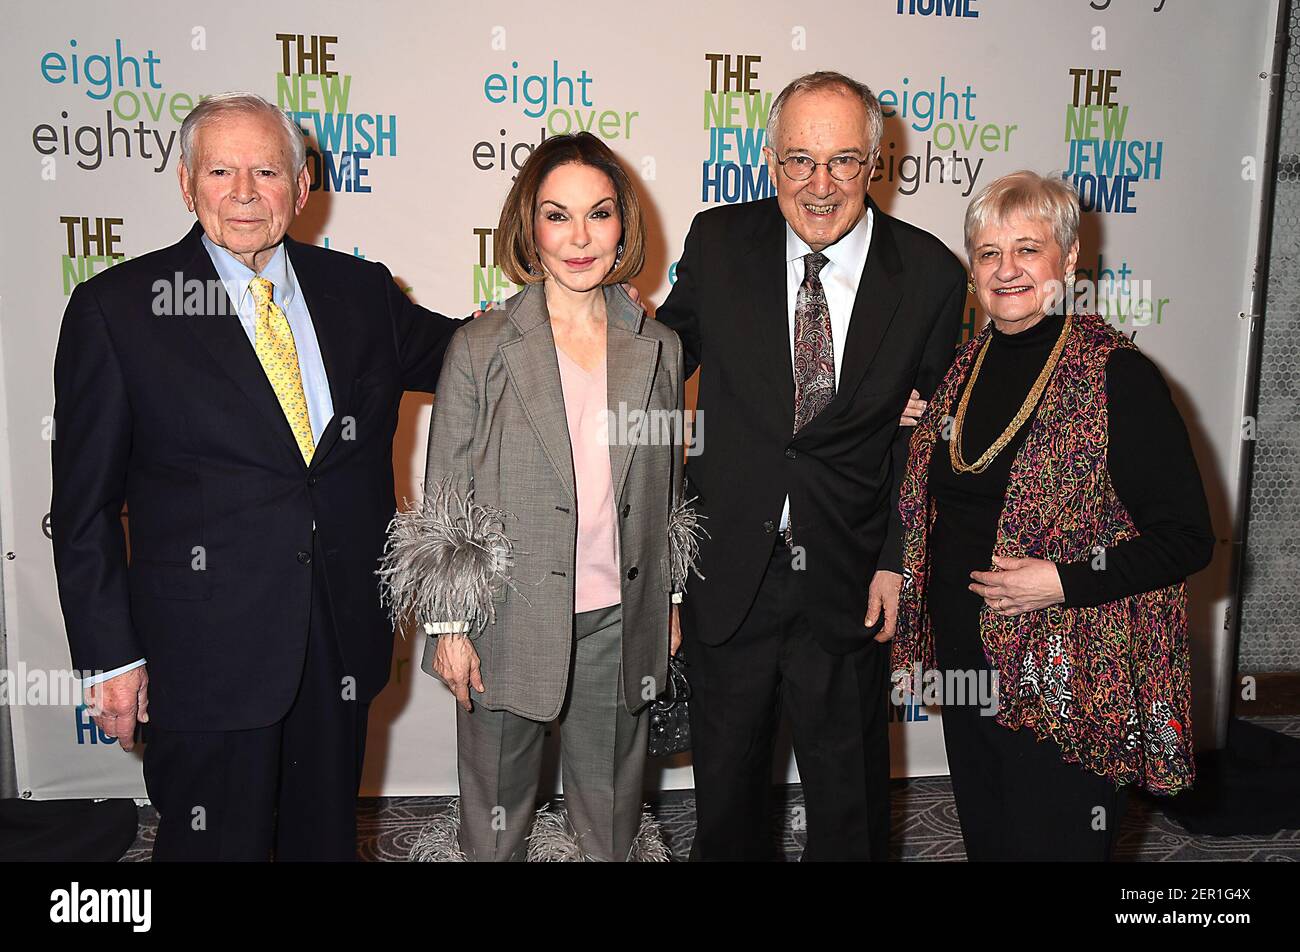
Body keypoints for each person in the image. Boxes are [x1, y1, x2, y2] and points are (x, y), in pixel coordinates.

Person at [51, 92, 462, 861]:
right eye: (221, 170)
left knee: (323, 843)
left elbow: (473, 357)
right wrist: (112, 656)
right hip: (203, 652)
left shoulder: (361, 292)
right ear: (186, 184)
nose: (244, 191)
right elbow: (83, 509)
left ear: (302, 186)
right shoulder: (118, 311)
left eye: (267, 170)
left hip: (339, 640)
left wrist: (576, 308)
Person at [654, 71, 965, 861]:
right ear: (768, 159)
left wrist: (896, 561)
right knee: (726, 802)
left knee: (849, 801)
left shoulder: (929, 275)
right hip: (729, 570)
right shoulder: (718, 243)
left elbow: (933, 443)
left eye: (843, 161)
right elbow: (657, 360)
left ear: (876, 162)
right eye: (799, 160)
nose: (820, 186)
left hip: (851, 572)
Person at [891, 170, 1215, 861]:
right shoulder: (962, 367)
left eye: (1027, 250)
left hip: (1067, 668)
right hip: (965, 654)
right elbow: (945, 491)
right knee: (990, 837)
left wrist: (1062, 581)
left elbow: (1187, 538)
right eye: (987, 253)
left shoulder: (1115, 374)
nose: (1006, 270)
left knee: (1058, 843)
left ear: (1068, 261)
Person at [383, 132, 689, 862]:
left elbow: (667, 490)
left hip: (621, 619)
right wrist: (450, 625)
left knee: (612, 822)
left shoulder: (660, 348)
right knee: (495, 820)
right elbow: (445, 503)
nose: (580, 238)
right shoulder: (481, 347)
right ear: (529, 227)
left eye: (600, 214)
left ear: (624, 226)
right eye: (558, 216)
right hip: (503, 619)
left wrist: (669, 602)